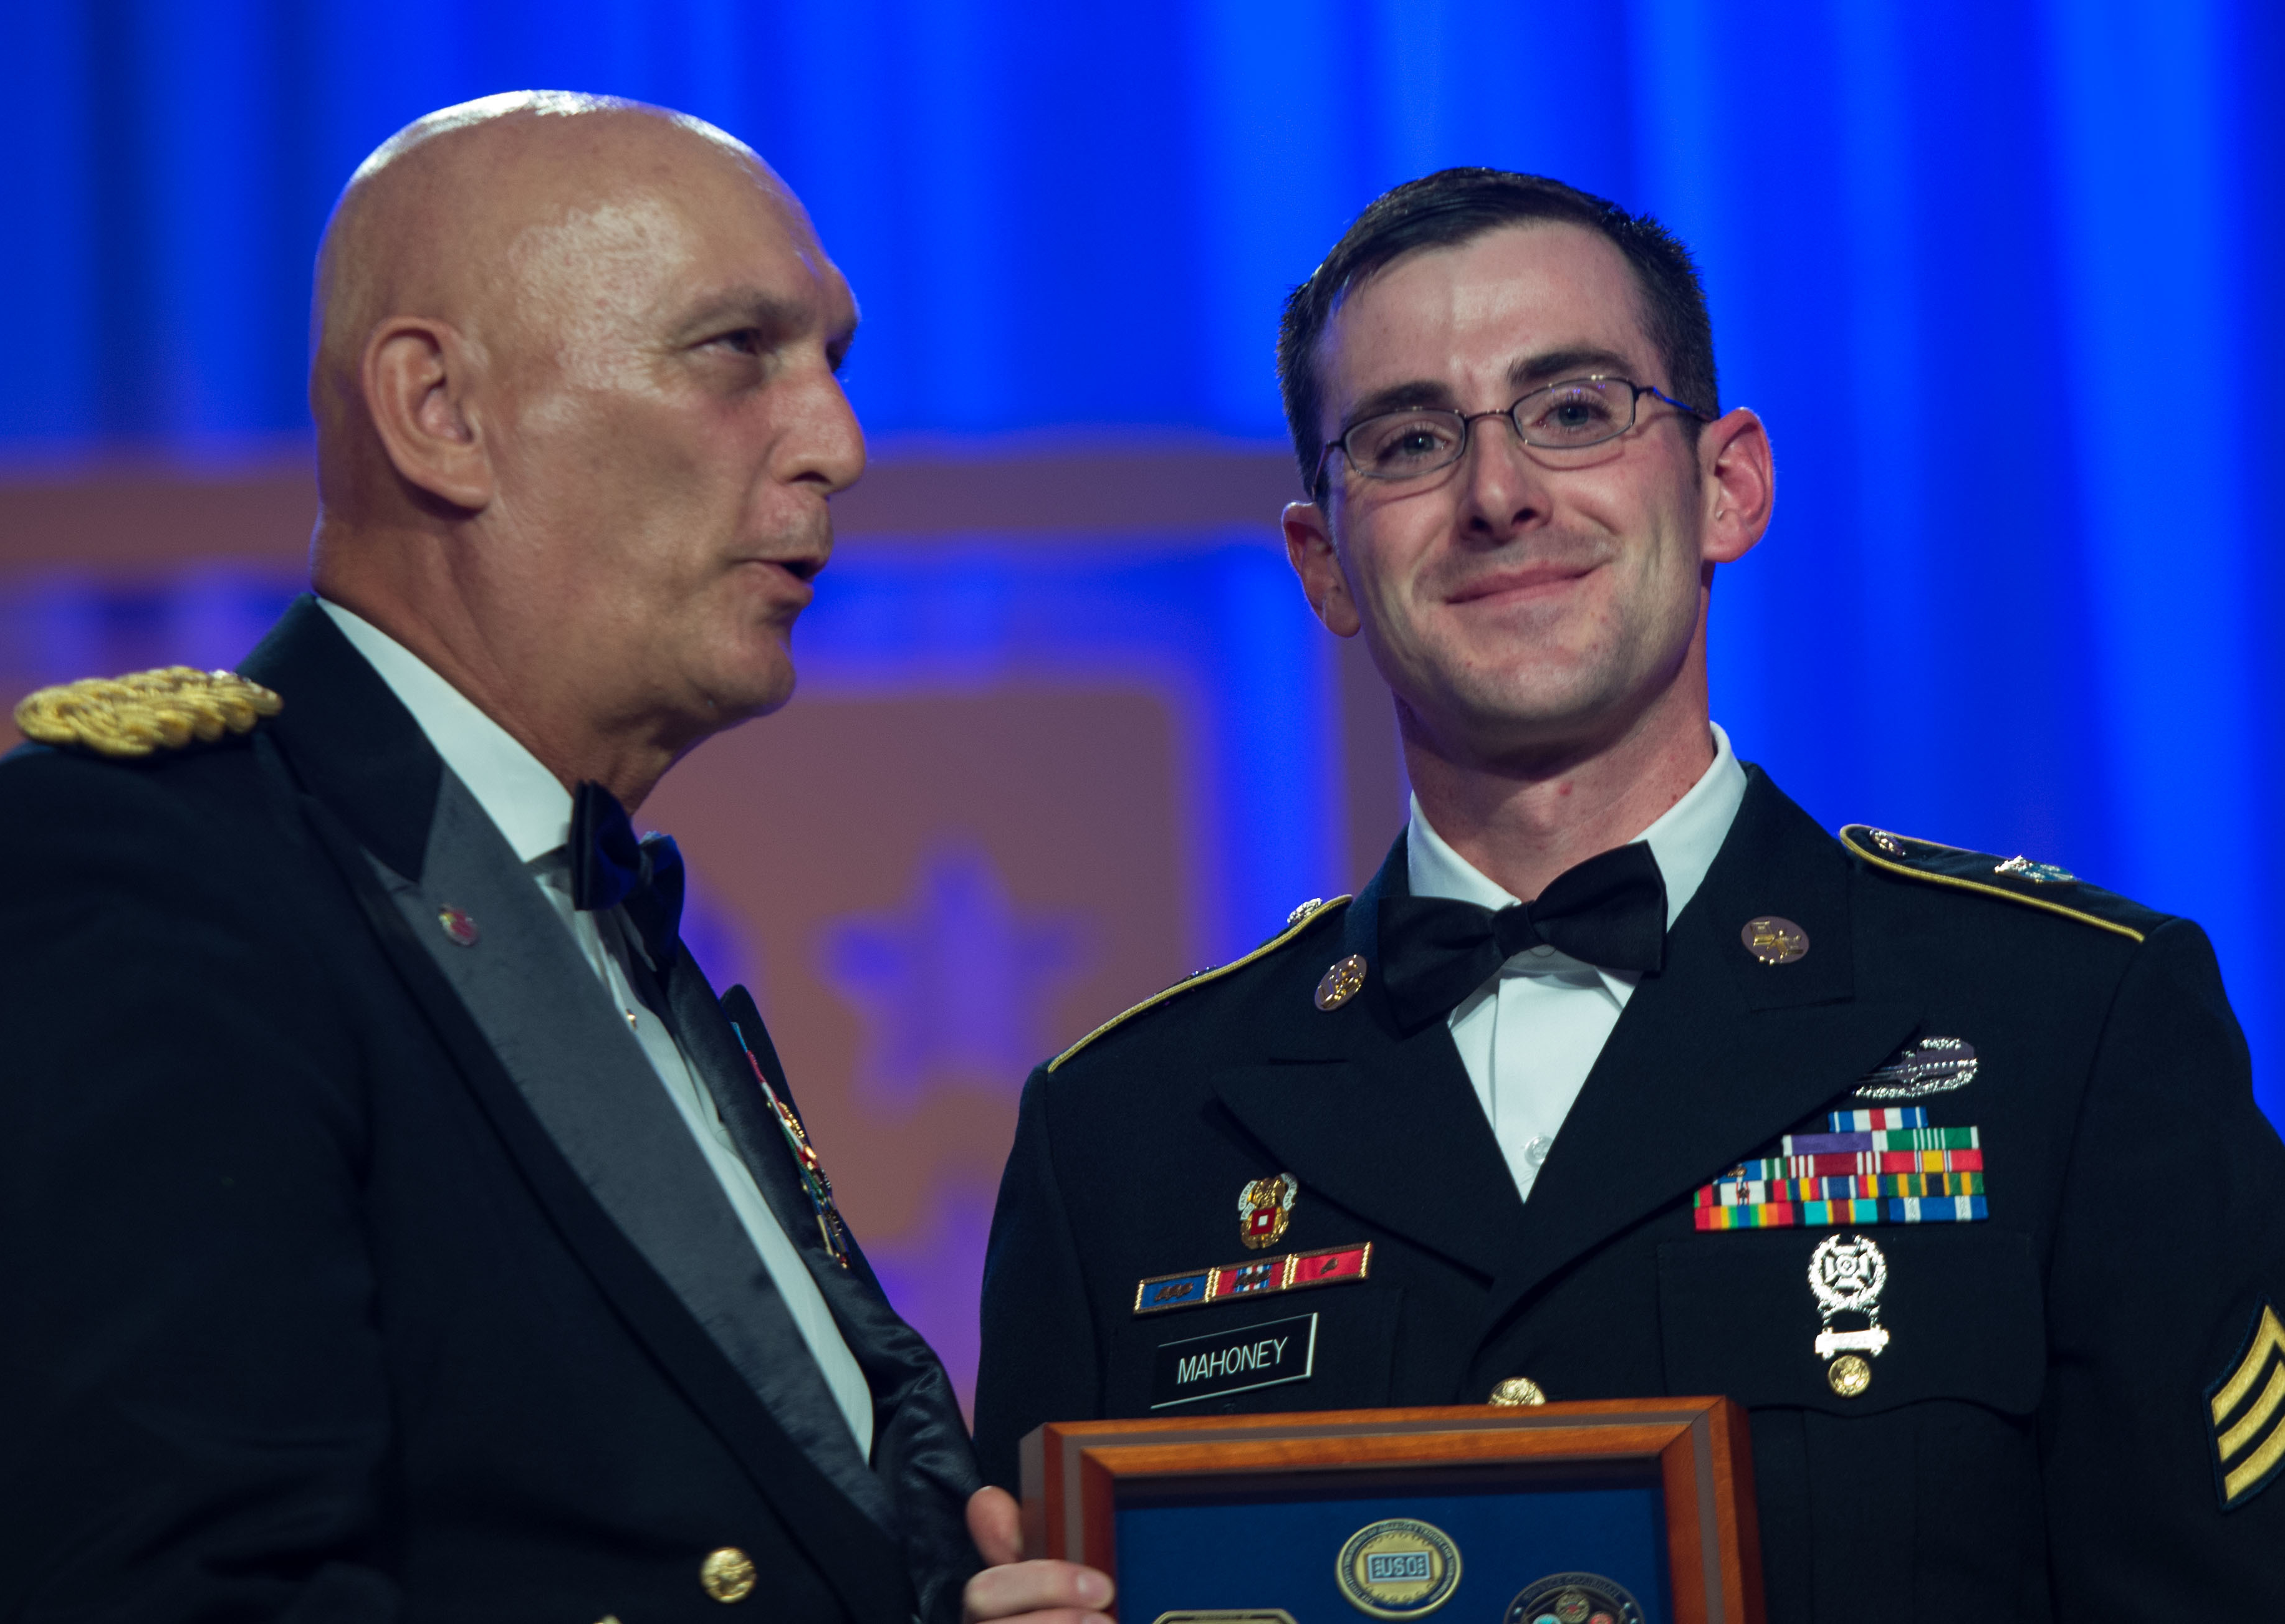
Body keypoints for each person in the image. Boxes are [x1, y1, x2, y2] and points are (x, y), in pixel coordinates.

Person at [0, 93, 1107, 1624]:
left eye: (832, 363)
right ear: (438, 410)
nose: (836, 443)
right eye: (735, 353)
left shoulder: (572, 901)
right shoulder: (122, 879)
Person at [973, 168, 2285, 1618]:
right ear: (1320, 561)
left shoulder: (2070, 1024)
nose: (1498, 494)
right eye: (1409, 441)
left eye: (1575, 411)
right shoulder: (1121, 1134)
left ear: (1727, 486)